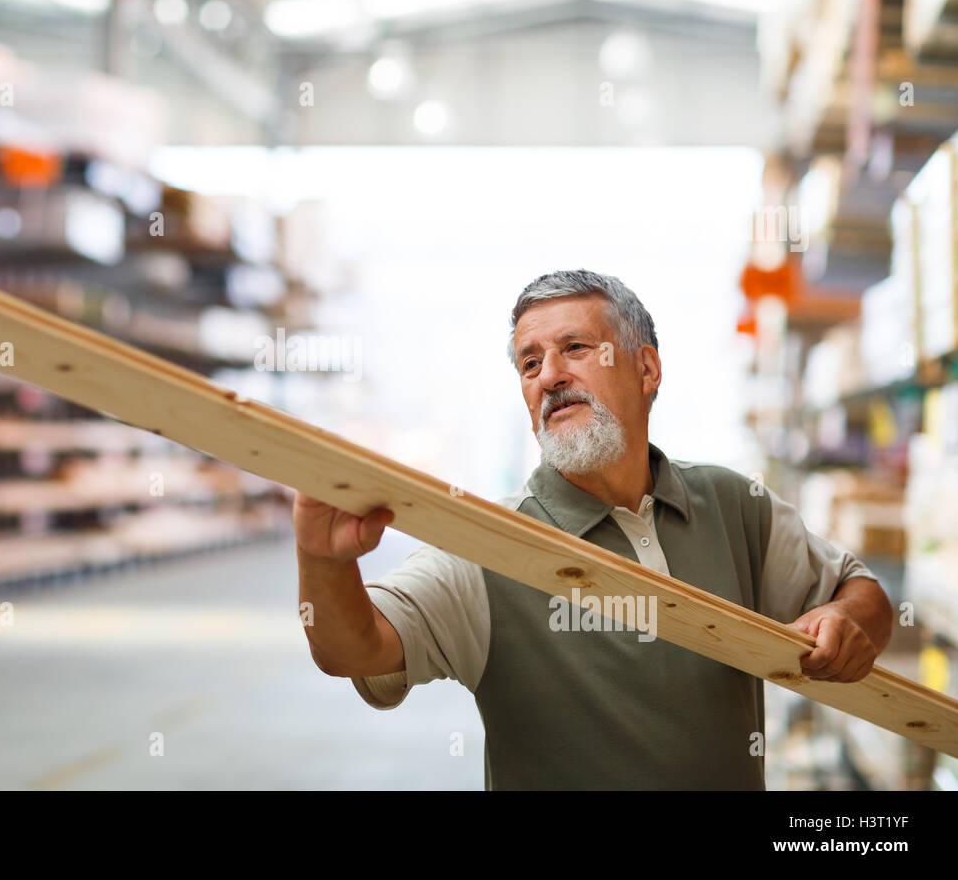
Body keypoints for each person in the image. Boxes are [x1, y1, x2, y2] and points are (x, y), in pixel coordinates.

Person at [294, 269, 892, 789]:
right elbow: (356, 649)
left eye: (575, 348)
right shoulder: (489, 547)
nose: (549, 376)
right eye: (530, 363)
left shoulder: (734, 504)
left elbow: (861, 592)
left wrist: (847, 620)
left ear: (647, 369)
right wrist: (322, 559)